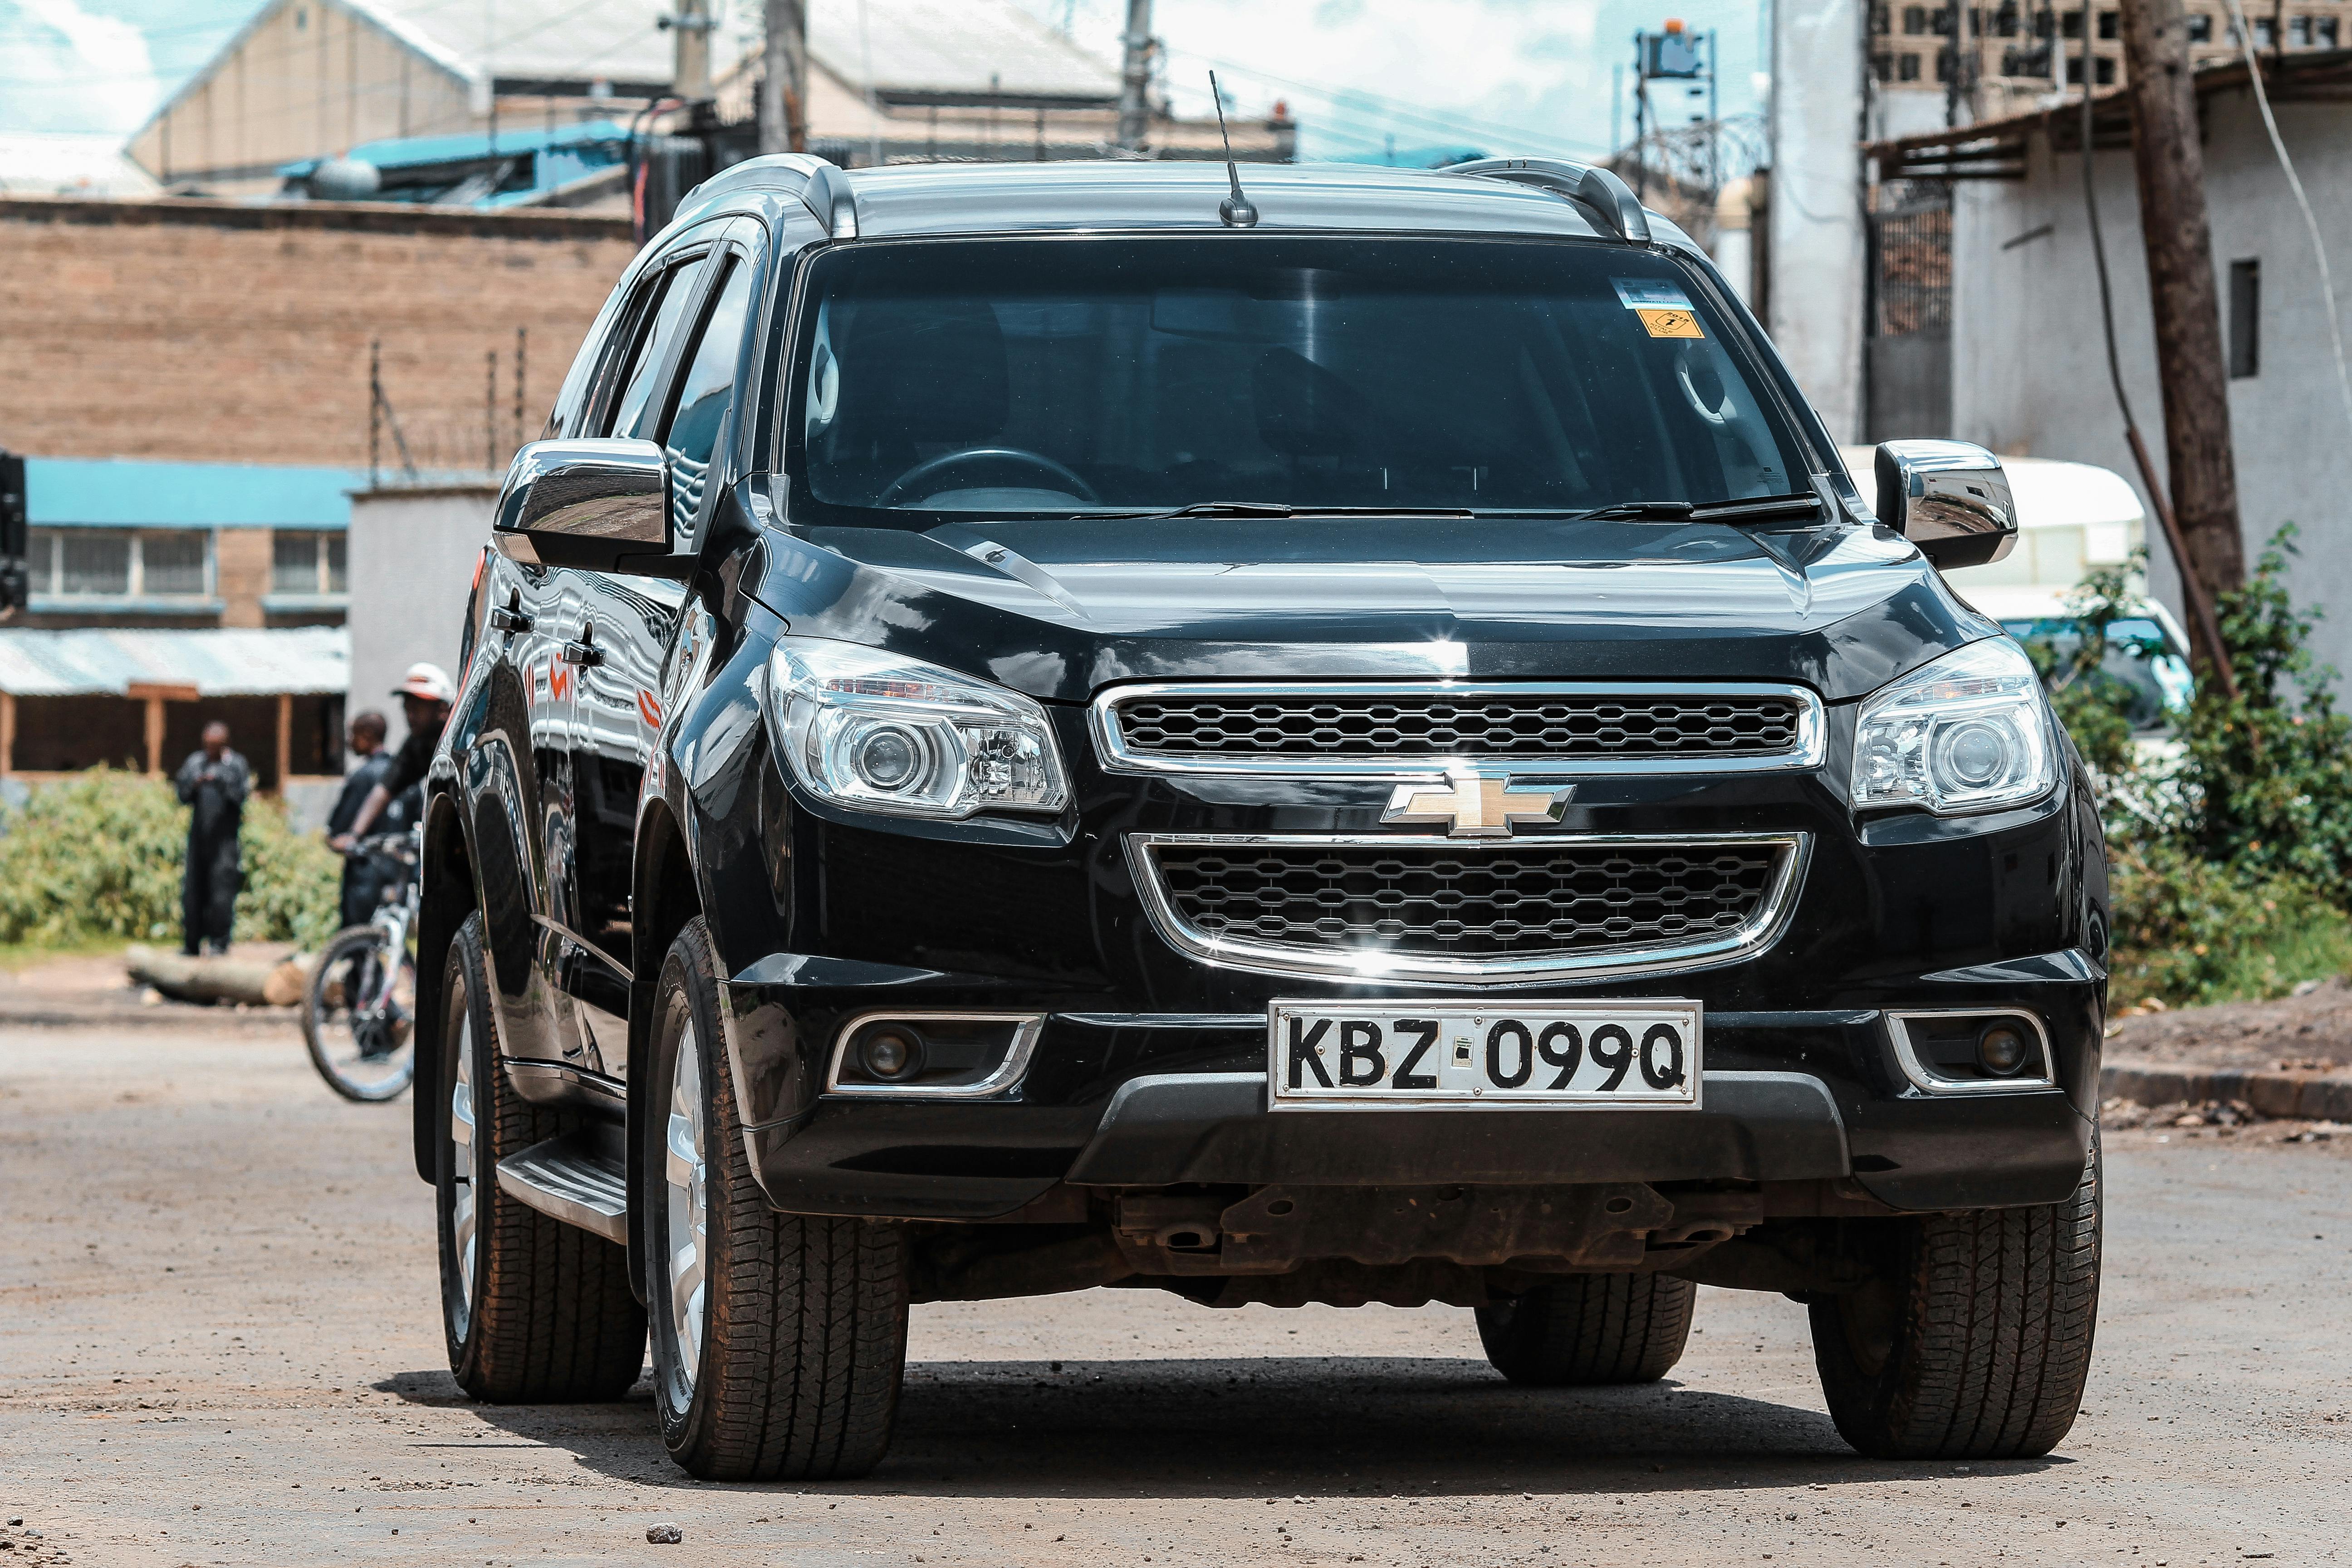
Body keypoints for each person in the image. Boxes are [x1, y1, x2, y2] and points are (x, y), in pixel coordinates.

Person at [341, 662, 455, 846]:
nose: (410, 716)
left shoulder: (462, 741)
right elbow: (384, 789)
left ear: (443, 709)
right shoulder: (416, 746)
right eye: (407, 709)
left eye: (417, 709)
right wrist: (355, 835)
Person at [174, 720, 251, 956]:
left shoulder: (236, 765)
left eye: (216, 746)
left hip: (225, 842)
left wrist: (220, 781)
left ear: (225, 745)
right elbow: (182, 795)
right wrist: (196, 782)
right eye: (208, 745)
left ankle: (219, 943)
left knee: (221, 893)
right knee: (193, 892)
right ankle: (192, 943)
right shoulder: (195, 762)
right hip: (198, 840)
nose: (211, 750)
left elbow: (241, 798)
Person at [326, 710, 393, 931]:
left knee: (358, 942)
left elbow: (337, 831)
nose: (349, 741)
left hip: (364, 875)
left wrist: (333, 840)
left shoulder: (363, 776)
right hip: (397, 875)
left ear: (366, 735)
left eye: (352, 734)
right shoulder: (400, 775)